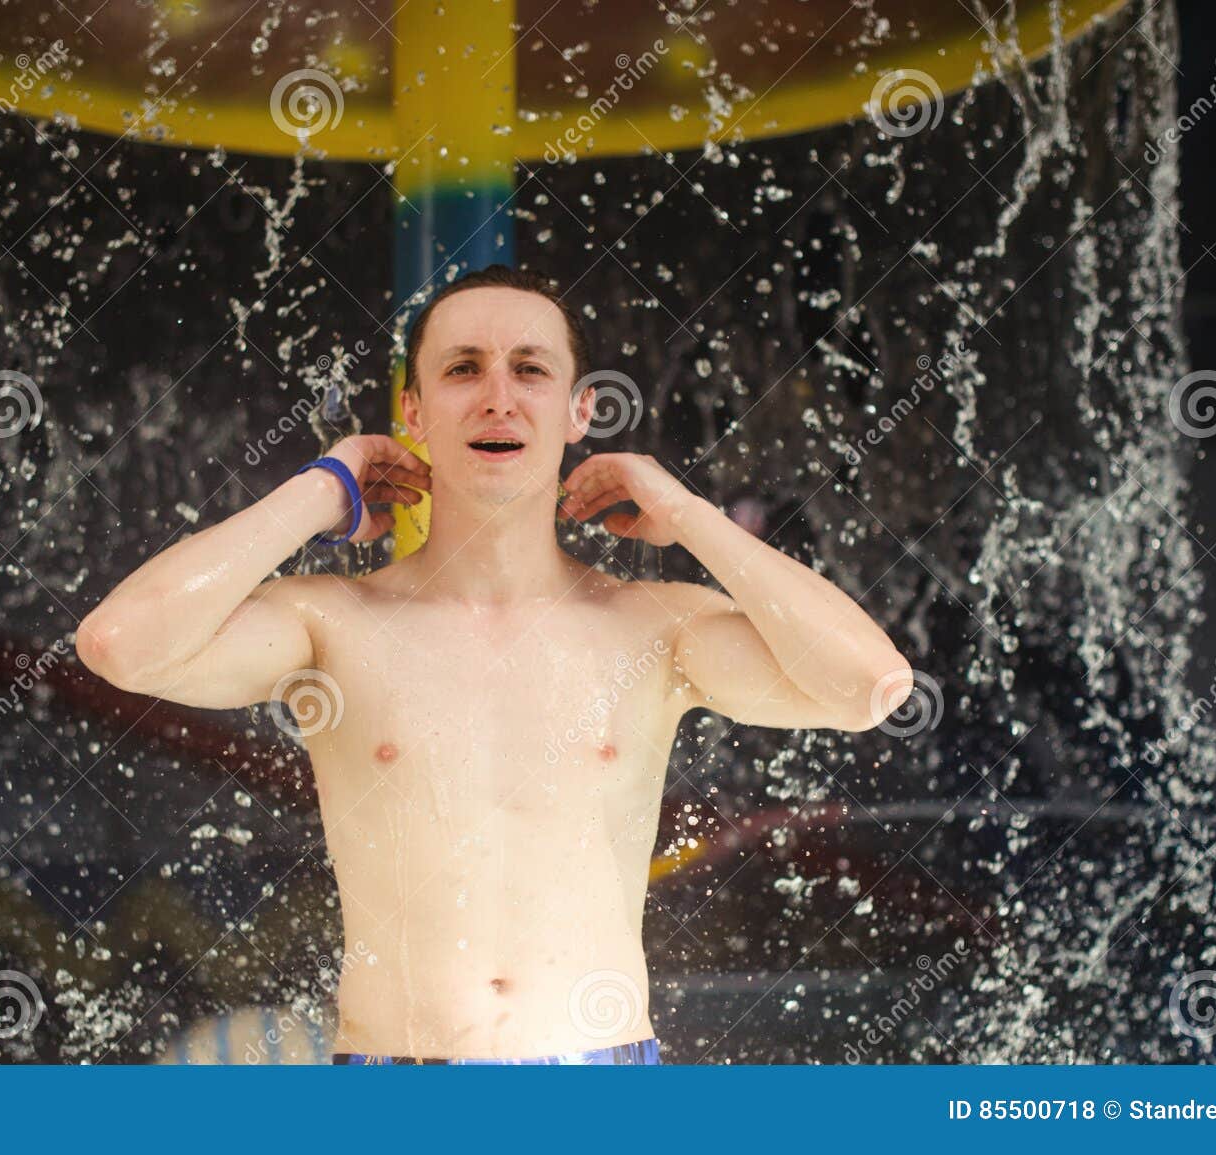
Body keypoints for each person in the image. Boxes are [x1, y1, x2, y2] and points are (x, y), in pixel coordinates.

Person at [75, 264, 913, 1065]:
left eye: (530, 369)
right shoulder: (332, 623)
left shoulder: (655, 629)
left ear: (581, 410)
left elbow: (868, 684)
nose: (498, 398)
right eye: (463, 369)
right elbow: (120, 644)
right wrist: (324, 489)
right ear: (412, 410)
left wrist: (690, 516)